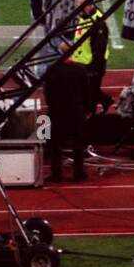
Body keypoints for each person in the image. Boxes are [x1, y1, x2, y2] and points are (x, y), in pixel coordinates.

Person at [45, 39, 89, 182]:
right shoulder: (80, 70)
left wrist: (51, 107)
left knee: (55, 143)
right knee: (77, 143)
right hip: (75, 110)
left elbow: (48, 92)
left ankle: (57, 173)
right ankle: (78, 173)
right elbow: (85, 91)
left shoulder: (52, 69)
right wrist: (86, 108)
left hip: (57, 111)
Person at [70, 0, 112, 114]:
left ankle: (90, 115)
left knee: (91, 92)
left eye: (80, 5)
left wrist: (95, 67)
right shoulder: (85, 16)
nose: (77, 8)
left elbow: (100, 47)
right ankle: (105, 101)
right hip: (82, 60)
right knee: (87, 88)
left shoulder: (98, 22)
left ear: (88, 5)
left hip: (92, 63)